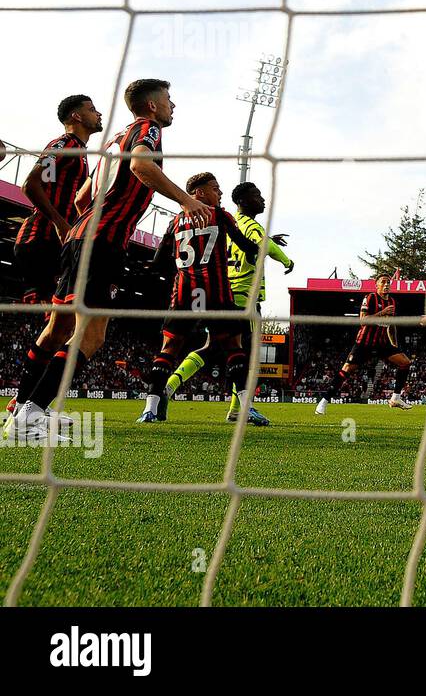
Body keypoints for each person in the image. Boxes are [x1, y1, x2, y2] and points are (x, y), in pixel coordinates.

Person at [6, 79, 212, 443]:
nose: (172, 106)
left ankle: (24, 409)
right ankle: (33, 413)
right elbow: (141, 167)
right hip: (101, 242)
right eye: (168, 99)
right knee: (93, 332)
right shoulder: (146, 130)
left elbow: (84, 197)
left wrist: (86, 224)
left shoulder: (112, 141)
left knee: (59, 327)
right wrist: (185, 199)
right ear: (151, 106)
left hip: (80, 237)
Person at [163, 180, 294, 422]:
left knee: (212, 346)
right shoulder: (250, 225)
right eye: (257, 195)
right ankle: (239, 409)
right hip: (245, 295)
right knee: (249, 352)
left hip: (224, 291)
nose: (262, 199)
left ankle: (169, 385)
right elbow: (261, 244)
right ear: (244, 201)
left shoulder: (227, 222)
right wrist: (287, 261)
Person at [7, 95, 102, 422]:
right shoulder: (64, 144)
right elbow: (30, 184)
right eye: (92, 109)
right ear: (76, 115)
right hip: (41, 242)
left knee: (57, 327)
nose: (98, 113)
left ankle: (26, 406)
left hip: (51, 243)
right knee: (60, 327)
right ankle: (27, 408)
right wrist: (62, 224)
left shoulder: (80, 151)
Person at [138, 173, 260, 424]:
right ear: (199, 193)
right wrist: (255, 251)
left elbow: (158, 263)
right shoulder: (219, 215)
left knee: (168, 349)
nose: (220, 194)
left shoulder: (175, 222)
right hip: (217, 293)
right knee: (234, 347)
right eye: (216, 189)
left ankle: (149, 409)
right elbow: (247, 246)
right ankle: (245, 409)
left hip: (183, 293)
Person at [316, 274, 413, 414]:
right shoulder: (370, 298)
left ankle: (395, 398)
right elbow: (363, 320)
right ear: (377, 285)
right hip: (364, 343)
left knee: (405, 362)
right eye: (383, 282)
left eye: (388, 282)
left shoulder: (392, 301)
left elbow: (391, 326)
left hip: (382, 343)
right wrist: (382, 312)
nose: (386, 285)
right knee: (346, 370)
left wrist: (395, 345)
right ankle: (324, 401)